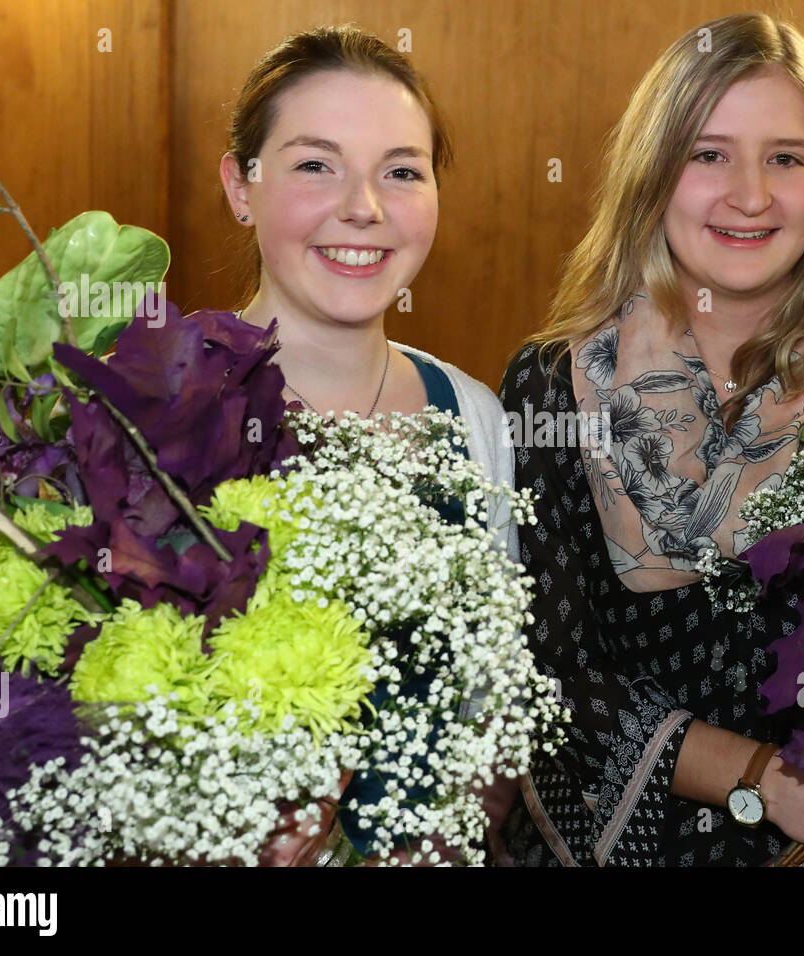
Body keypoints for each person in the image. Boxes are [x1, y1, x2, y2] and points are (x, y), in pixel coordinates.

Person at [497, 13, 804, 866]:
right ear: (652, 174)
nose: (750, 194)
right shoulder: (548, 386)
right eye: (708, 154)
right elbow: (549, 678)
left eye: (786, 157)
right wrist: (769, 784)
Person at [217, 24, 517, 863]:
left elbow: (491, 702)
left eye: (402, 171)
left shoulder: (476, 417)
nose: (365, 207)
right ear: (240, 185)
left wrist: (450, 833)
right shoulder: (148, 413)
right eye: (317, 164)